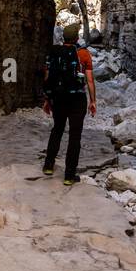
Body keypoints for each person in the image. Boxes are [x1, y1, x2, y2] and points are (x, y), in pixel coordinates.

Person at [42, 23, 96, 184]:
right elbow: (90, 80)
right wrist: (93, 101)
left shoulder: (54, 53)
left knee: (57, 130)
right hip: (77, 99)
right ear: (77, 38)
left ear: (63, 37)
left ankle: (48, 166)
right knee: (75, 135)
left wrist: (47, 98)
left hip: (58, 97)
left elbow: (48, 77)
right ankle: (69, 176)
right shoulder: (84, 54)